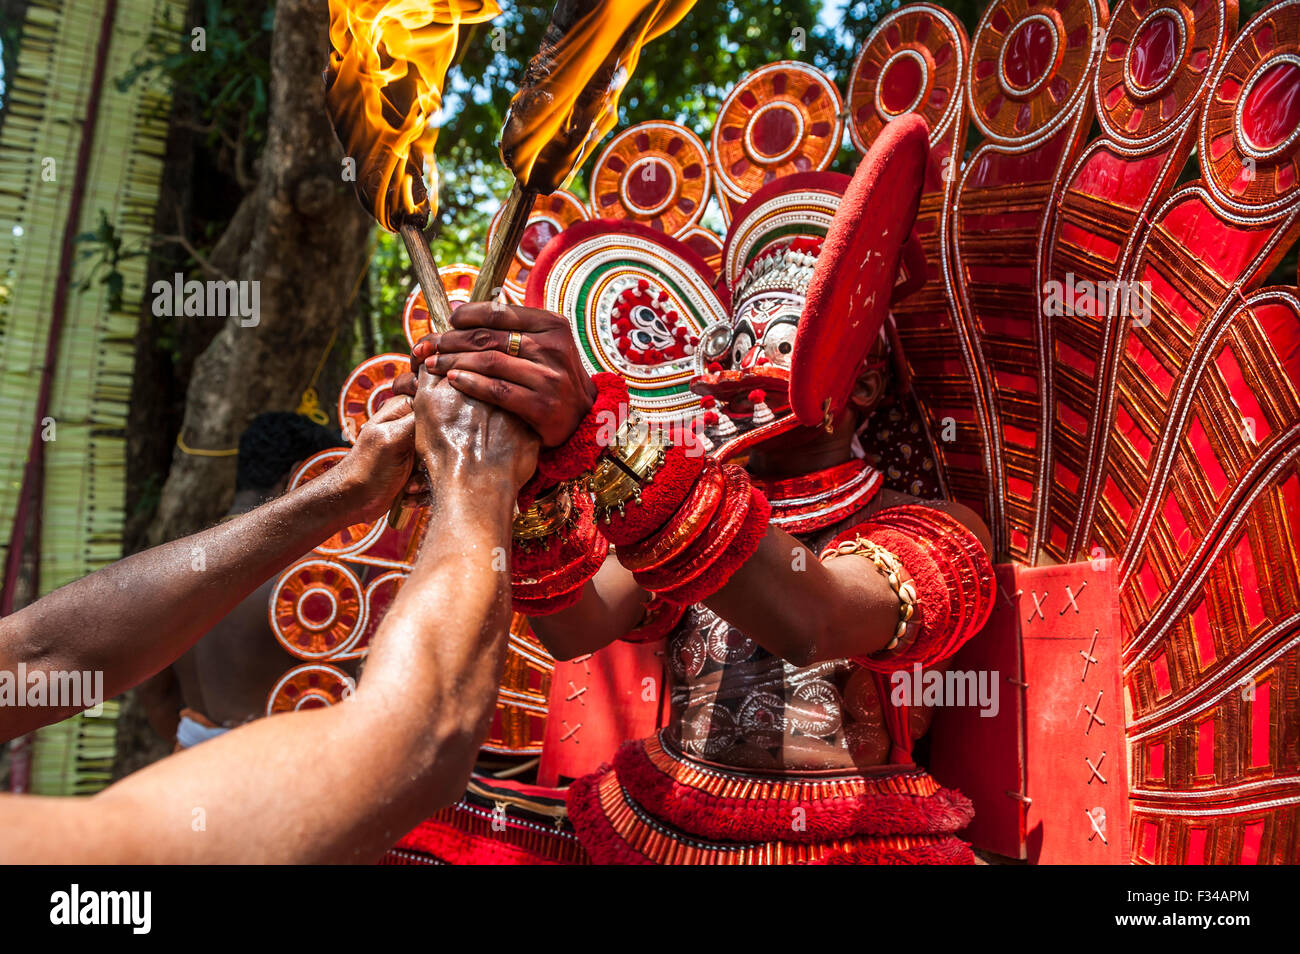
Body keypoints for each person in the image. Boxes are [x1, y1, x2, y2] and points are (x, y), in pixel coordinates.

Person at [407, 117, 996, 863]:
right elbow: (575, 628)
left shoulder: (931, 527)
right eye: (732, 349)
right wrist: (529, 477)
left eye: (782, 347)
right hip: (659, 820)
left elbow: (812, 619)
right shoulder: (699, 508)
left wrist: (602, 440)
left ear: (866, 379)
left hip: (846, 843)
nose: (740, 379)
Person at [0, 373, 538, 862]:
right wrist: (477, 476)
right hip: (287, 768)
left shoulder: (207, 574)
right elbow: (421, 744)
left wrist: (346, 492)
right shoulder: (316, 587)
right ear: (296, 472)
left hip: (202, 754)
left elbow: (38, 653)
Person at [140, 413, 351, 749]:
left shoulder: (175, 565)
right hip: (273, 776)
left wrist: (199, 748)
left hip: (186, 771)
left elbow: (155, 694)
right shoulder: (309, 580)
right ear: (297, 477)